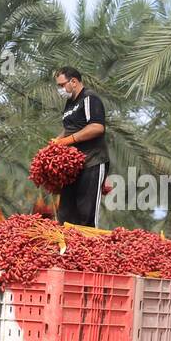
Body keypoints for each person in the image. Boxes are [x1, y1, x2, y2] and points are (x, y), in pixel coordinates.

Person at [51, 66, 109, 227]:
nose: (60, 89)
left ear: (74, 82)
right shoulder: (70, 104)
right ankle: (69, 251)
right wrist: (55, 143)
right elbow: (70, 127)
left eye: (62, 85)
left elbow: (97, 127)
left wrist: (67, 141)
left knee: (86, 215)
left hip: (92, 162)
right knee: (65, 215)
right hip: (73, 167)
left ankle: (91, 250)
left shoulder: (89, 98)